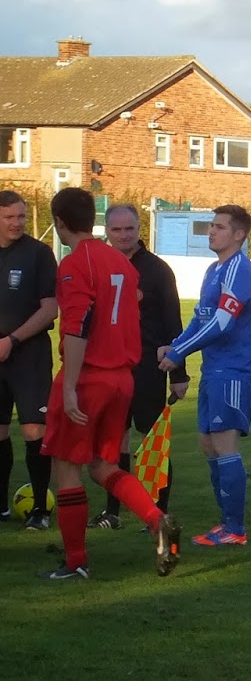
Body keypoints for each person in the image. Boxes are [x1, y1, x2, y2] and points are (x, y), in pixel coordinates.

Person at [39, 187, 181, 580]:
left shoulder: (74, 263)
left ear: (59, 222)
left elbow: (77, 325)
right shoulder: (120, 262)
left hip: (90, 378)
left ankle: (75, 562)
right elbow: (131, 307)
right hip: (123, 378)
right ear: (95, 220)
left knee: (66, 468)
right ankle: (156, 519)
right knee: (103, 463)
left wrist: (69, 386)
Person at [158, 204, 251, 546]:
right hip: (214, 370)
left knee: (223, 443)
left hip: (233, 371)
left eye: (219, 226)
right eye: (211, 226)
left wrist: (179, 353)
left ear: (238, 234)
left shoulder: (239, 271)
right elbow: (202, 319)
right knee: (208, 444)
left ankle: (236, 529)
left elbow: (222, 323)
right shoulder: (213, 271)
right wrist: (176, 344)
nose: (211, 231)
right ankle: (226, 524)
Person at [95, 204, 188, 528]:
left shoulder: (158, 270)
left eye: (129, 229)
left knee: (152, 441)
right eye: (117, 230)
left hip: (148, 367)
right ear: (106, 231)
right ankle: (112, 512)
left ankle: (159, 512)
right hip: (108, 368)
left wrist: (179, 372)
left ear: (139, 229)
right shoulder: (99, 267)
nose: (123, 235)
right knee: (112, 440)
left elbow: (173, 322)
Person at [0, 190, 59, 529]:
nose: (17, 223)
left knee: (34, 430)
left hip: (29, 356)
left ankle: (40, 509)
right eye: (10, 217)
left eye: (21, 216)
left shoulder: (38, 253)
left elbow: (50, 308)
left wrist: (12, 339)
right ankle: (1, 505)